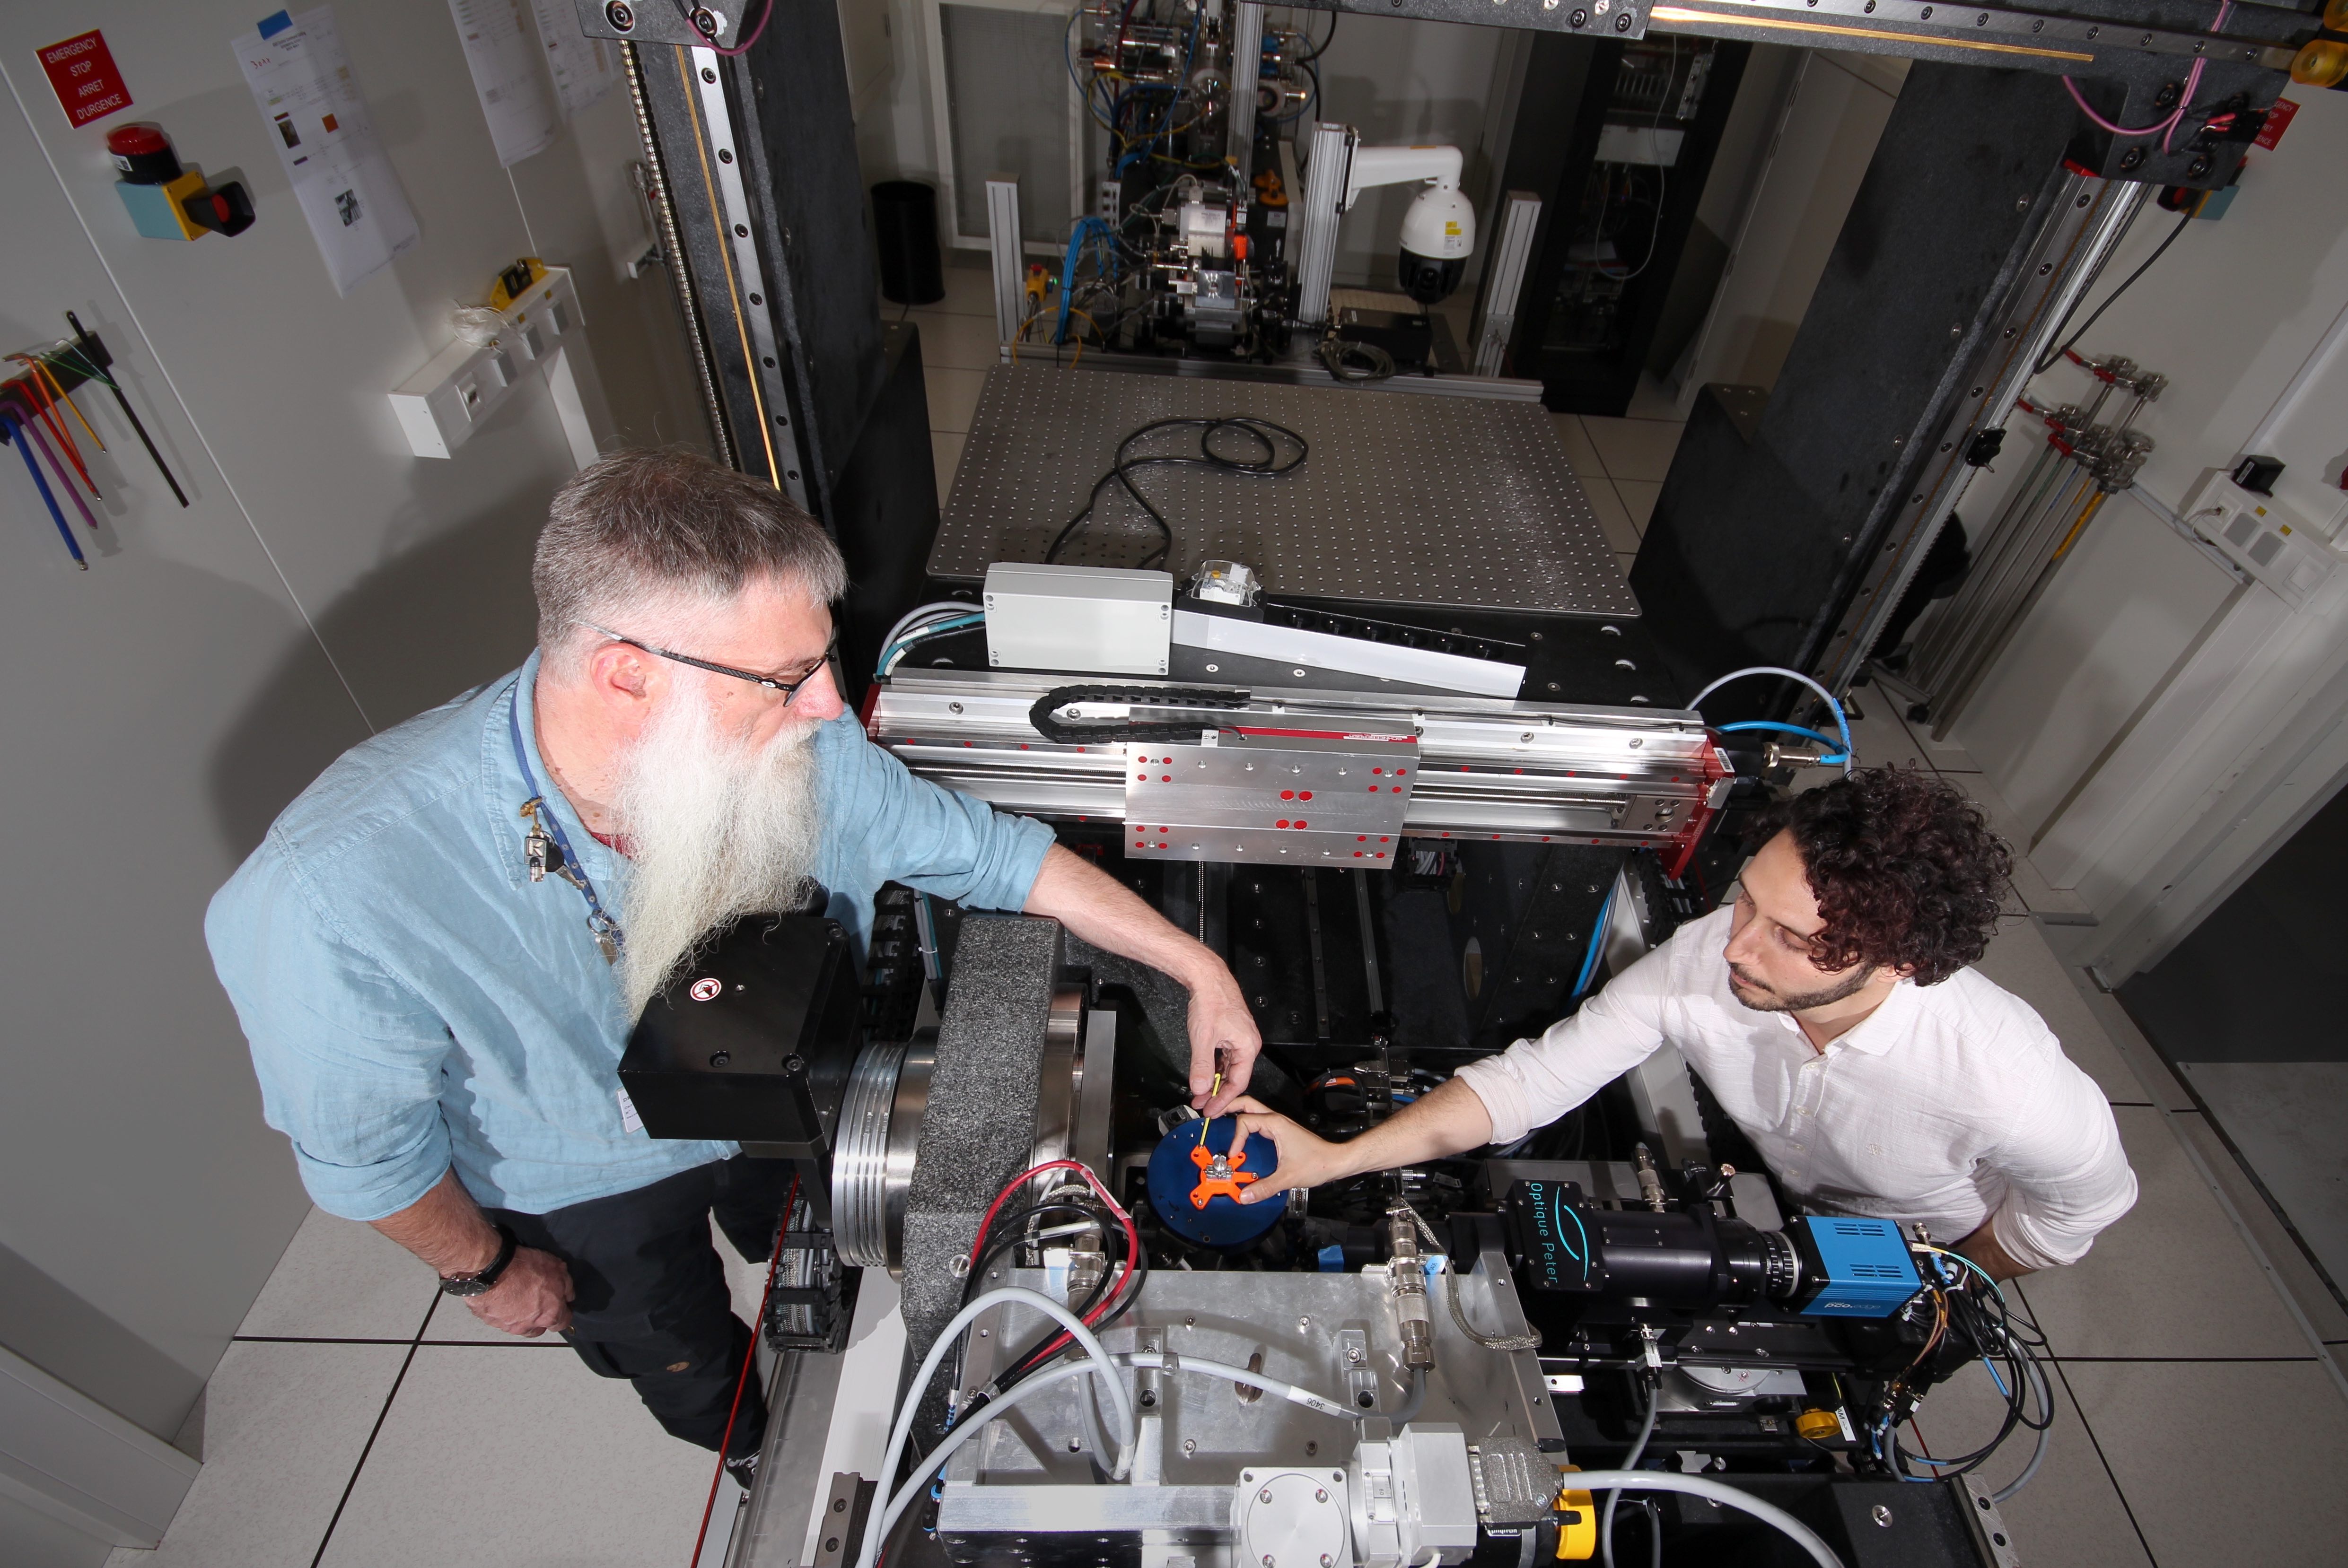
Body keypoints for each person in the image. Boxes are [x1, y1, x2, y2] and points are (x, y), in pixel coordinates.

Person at [207, 449, 1261, 1484]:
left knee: (799, 1223)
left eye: (819, 664)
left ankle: (779, 1251)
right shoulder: (338, 889)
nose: (829, 712)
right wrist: (484, 1267)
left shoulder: (795, 743)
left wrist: (1191, 960)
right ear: (628, 674)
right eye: (786, 679)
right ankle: (749, 1442)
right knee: (677, 1346)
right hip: (584, 1182)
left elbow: (990, 853)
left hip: (780, 1094)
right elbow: (370, 1162)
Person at [1232, 767, 2137, 1280]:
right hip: (1786, 1204)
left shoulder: (2010, 1083)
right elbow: (1530, 1083)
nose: (1737, 949)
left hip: (1919, 1242)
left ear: (1899, 962)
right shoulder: (1713, 954)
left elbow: (2074, 1215)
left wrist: (1937, 1285)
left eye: (1792, 939)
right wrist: (1334, 1157)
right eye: (1747, 902)